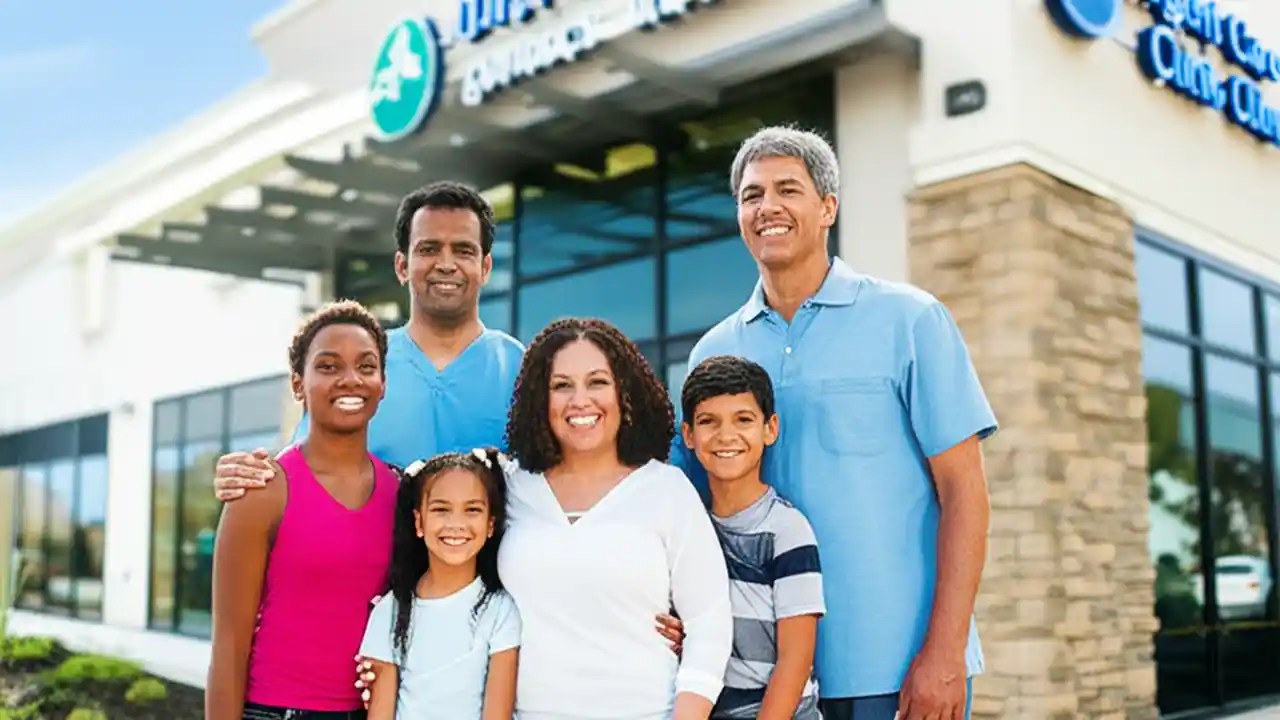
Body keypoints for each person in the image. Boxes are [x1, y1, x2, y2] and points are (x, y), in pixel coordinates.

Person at [672, 126, 997, 720]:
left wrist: (945, 652)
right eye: (751, 195)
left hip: (895, 666)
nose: (766, 207)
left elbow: (965, 491)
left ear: (828, 207)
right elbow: (687, 510)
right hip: (763, 683)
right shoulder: (714, 352)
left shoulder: (910, 319)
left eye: (787, 190)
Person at [213, 180, 525, 495]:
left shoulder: (519, 367)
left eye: (463, 250)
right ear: (402, 266)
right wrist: (251, 475)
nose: (446, 264)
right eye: (429, 249)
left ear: (485, 267)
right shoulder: (359, 367)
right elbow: (302, 475)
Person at [497, 317, 733, 719]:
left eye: (597, 382)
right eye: (561, 385)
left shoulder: (666, 489)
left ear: (624, 394)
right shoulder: (509, 488)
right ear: (541, 399)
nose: (580, 400)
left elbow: (709, 623)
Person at [206, 300, 398, 719]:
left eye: (366, 367)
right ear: (298, 384)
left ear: (382, 384)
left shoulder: (400, 492)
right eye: (328, 366)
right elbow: (229, 643)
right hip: (277, 712)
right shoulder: (262, 489)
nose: (350, 379)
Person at [679, 355, 824, 720]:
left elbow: (796, 658)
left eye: (743, 420)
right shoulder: (688, 527)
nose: (726, 436)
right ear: (688, 435)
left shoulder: (786, 529)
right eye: (708, 422)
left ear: (769, 428)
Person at [359, 448, 520, 720]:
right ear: (419, 522)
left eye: (472, 510)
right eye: (441, 510)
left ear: (490, 524)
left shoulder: (500, 611)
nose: (456, 524)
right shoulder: (390, 611)